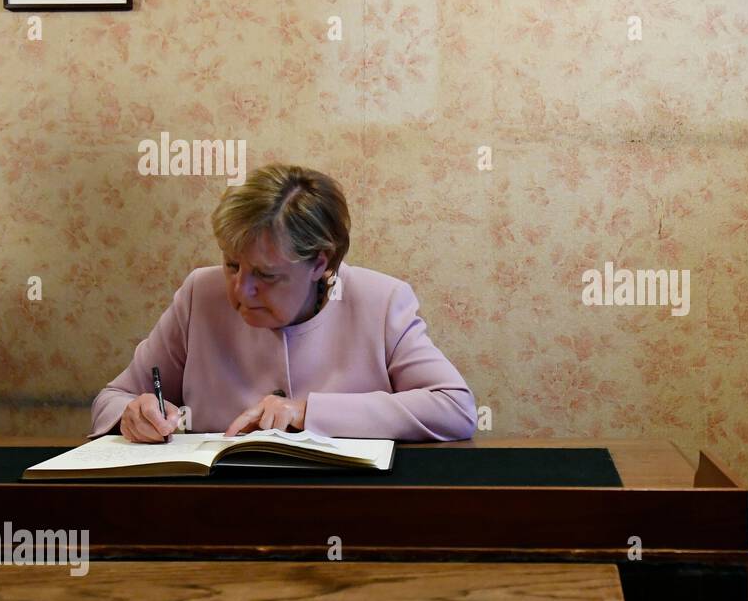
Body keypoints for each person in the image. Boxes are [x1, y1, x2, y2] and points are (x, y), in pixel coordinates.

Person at [89, 164, 477, 443]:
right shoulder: (199, 294)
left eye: (266, 275)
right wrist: (133, 415)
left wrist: (307, 412)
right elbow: (112, 399)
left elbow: (454, 408)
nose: (241, 290)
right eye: (231, 265)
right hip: (216, 514)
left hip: (350, 509)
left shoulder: (380, 300)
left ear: (319, 263)